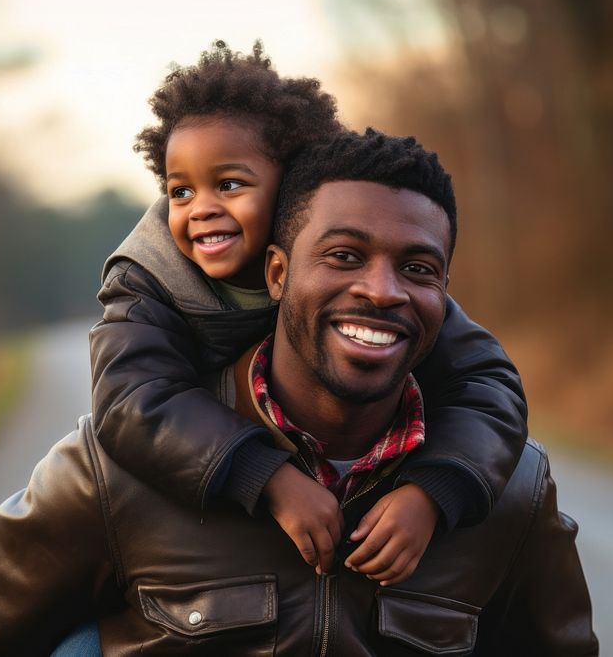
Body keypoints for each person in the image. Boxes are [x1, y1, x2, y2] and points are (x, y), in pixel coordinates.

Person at [0, 129, 597, 656]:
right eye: (344, 255)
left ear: (443, 295)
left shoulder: (510, 488)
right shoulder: (120, 467)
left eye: (417, 268)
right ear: (276, 272)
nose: (382, 290)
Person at [89, 41, 527, 584]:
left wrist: (434, 491)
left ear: (292, 189)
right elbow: (132, 399)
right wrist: (266, 475)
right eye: (180, 191)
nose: (201, 207)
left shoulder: (378, 285)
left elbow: (488, 384)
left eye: (229, 184)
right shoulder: (147, 281)